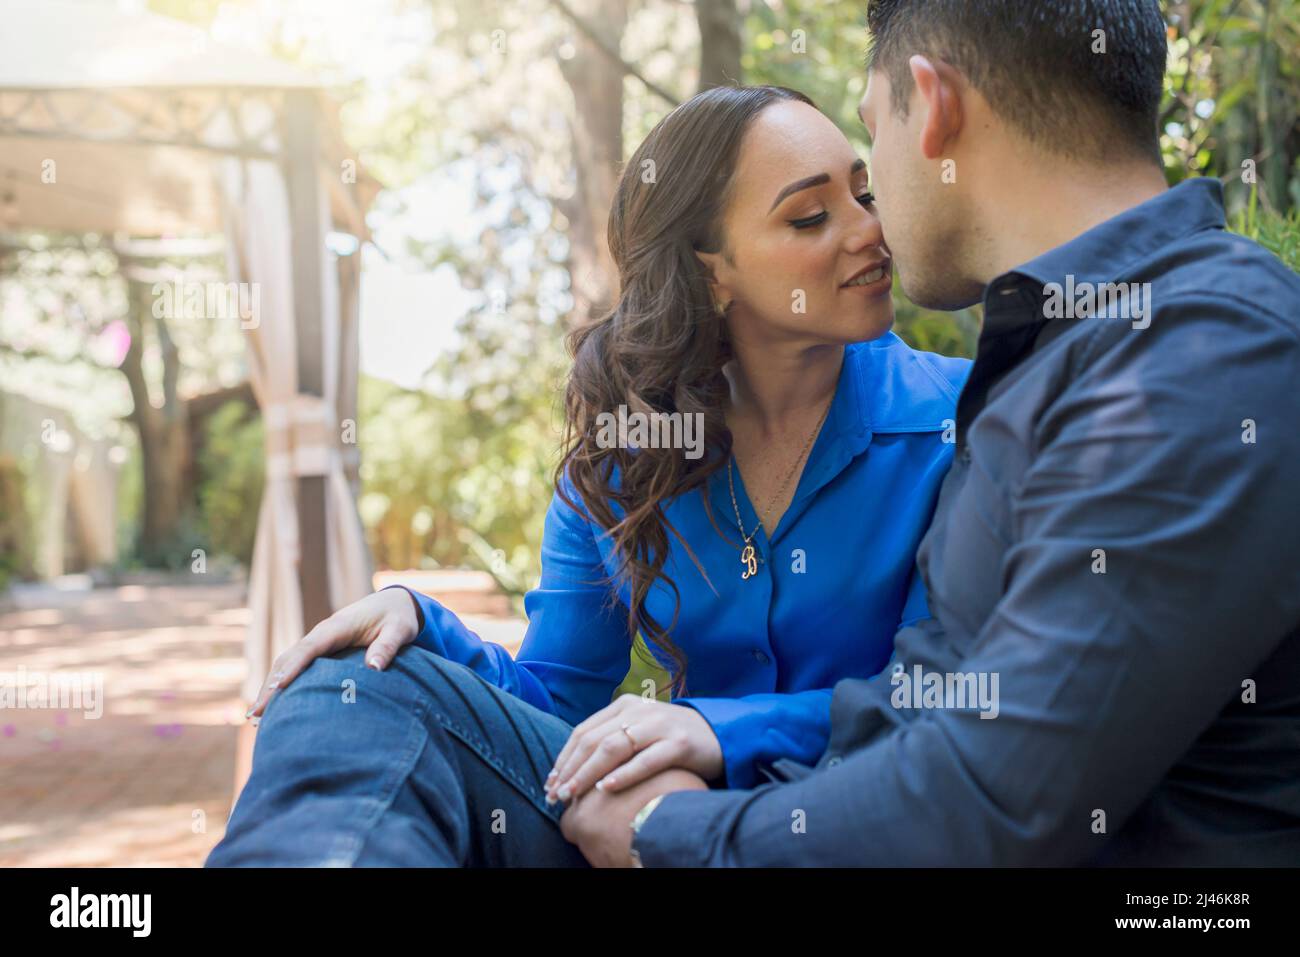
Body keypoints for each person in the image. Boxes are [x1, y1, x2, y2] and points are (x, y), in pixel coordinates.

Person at [563, 0, 1300, 867]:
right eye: (811, 213)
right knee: (389, 693)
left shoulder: (1202, 348)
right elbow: (909, 713)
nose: (871, 222)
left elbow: (988, 795)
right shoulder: (1051, 366)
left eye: (870, 155)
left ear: (935, 105)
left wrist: (667, 832)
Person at [205, 84, 970, 866]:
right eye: (811, 216)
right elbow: (554, 704)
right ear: (711, 274)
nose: (869, 230)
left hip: (858, 829)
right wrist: (418, 620)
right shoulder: (624, 464)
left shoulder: (966, 423)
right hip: (647, 832)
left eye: (864, 192)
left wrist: (716, 729)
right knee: (351, 685)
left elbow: (949, 695)